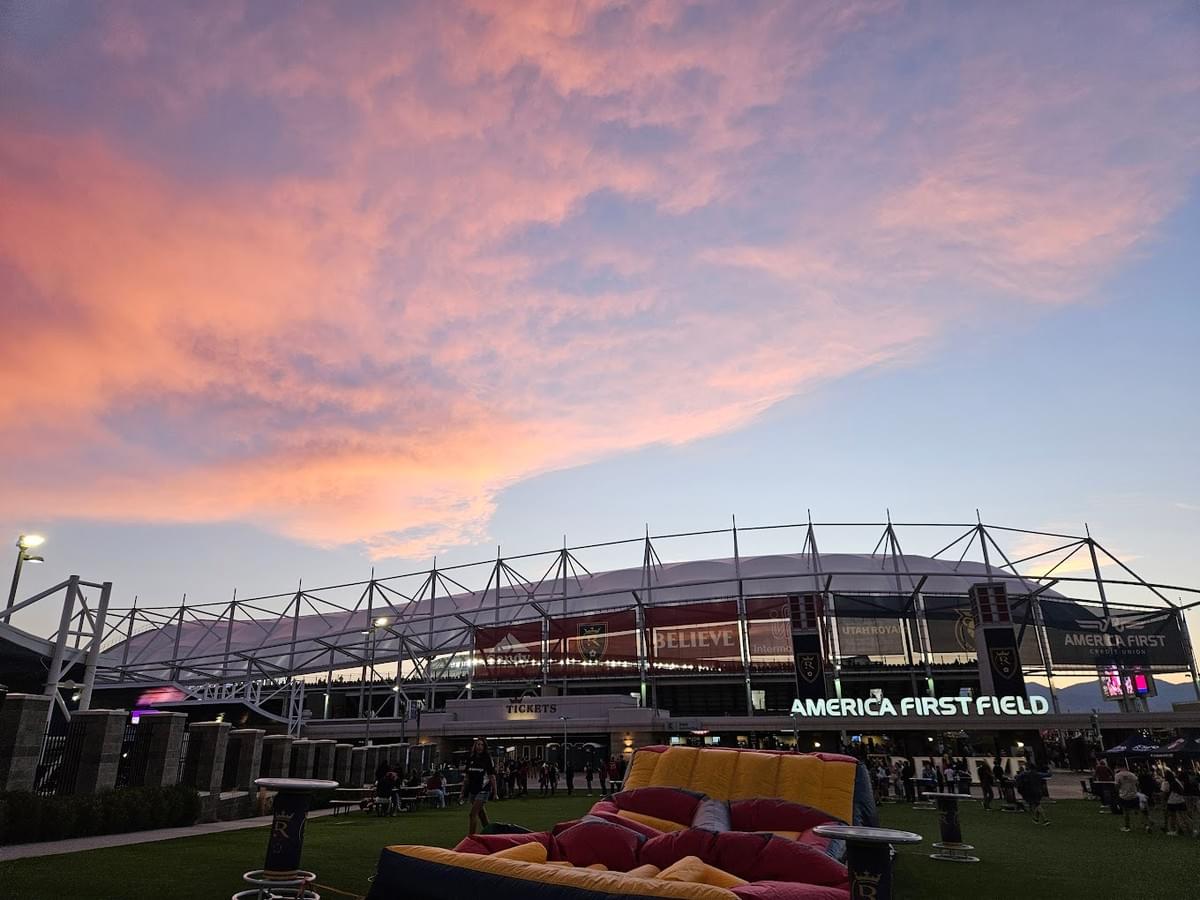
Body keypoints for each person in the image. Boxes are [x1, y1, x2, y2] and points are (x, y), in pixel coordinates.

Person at [461, 737, 497, 836]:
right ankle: (491, 835)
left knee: (473, 814)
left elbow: (492, 776)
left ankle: (471, 837)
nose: (479, 747)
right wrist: (462, 792)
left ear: (484, 747)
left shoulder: (487, 759)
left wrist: (495, 792)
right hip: (473, 790)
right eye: (478, 744)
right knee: (482, 815)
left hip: (483, 789)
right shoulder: (471, 759)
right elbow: (467, 777)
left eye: (481, 745)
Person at [1161, 769, 1190, 836]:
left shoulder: (1166, 782)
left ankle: (1174, 830)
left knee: (1172, 816)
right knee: (1184, 816)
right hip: (1180, 800)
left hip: (1171, 801)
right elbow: (1182, 789)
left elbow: (1164, 793)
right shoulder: (1176, 780)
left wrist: (1164, 801)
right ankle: (1189, 829)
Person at [1114, 762, 1139, 832]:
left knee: (1125, 812)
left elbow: (1117, 786)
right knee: (1138, 810)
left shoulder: (1118, 775)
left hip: (1124, 795)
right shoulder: (1132, 774)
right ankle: (1145, 824)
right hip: (1134, 795)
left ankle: (1127, 826)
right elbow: (1137, 783)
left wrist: (1117, 791)